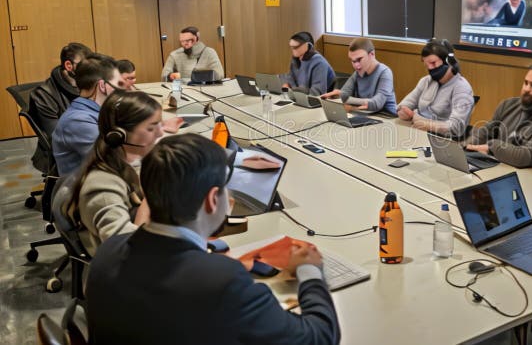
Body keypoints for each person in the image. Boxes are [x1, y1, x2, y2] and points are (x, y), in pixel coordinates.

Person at [86, 134, 341, 345]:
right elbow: (318, 337)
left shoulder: (109, 250)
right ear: (212, 200)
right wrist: (309, 270)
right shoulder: (222, 281)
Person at [67, 91, 164, 257]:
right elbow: (127, 250)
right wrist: (150, 200)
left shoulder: (121, 162)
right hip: (126, 272)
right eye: (151, 127)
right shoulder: (102, 187)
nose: (160, 133)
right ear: (120, 135)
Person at [465, 62, 532, 170]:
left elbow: (525, 156)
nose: (526, 89)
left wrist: (491, 147)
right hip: (496, 166)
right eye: (526, 83)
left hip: (527, 178)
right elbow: (485, 133)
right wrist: (466, 147)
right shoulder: (507, 105)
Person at [52, 54, 123, 176]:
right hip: (86, 191)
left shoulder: (97, 111)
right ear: (102, 86)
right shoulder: (77, 121)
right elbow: (114, 161)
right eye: (118, 84)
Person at [28, 42, 92, 173]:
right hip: (67, 153)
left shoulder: (85, 85)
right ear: (69, 66)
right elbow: (57, 137)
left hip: (87, 140)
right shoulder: (44, 94)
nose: (89, 71)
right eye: (85, 66)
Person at [398, 39, 474, 137]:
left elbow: (456, 128)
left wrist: (424, 123)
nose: (429, 68)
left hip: (443, 140)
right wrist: (404, 111)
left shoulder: (462, 87)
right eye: (426, 65)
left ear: (448, 62)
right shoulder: (426, 81)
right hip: (418, 132)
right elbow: (404, 105)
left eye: (433, 63)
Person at [320, 38, 397, 115]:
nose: (356, 66)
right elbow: (344, 95)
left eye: (359, 59)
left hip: (386, 118)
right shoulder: (358, 73)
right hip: (366, 116)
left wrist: (348, 102)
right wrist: (338, 96)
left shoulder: (385, 72)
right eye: (352, 61)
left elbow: (376, 104)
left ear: (372, 55)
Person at [281, 31, 335, 96]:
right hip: (299, 98)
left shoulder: (319, 63)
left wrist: (294, 91)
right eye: (291, 47)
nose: (293, 50)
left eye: (296, 47)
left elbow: (317, 93)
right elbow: (289, 81)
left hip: (317, 102)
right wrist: (286, 86)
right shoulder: (295, 60)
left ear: (307, 45)